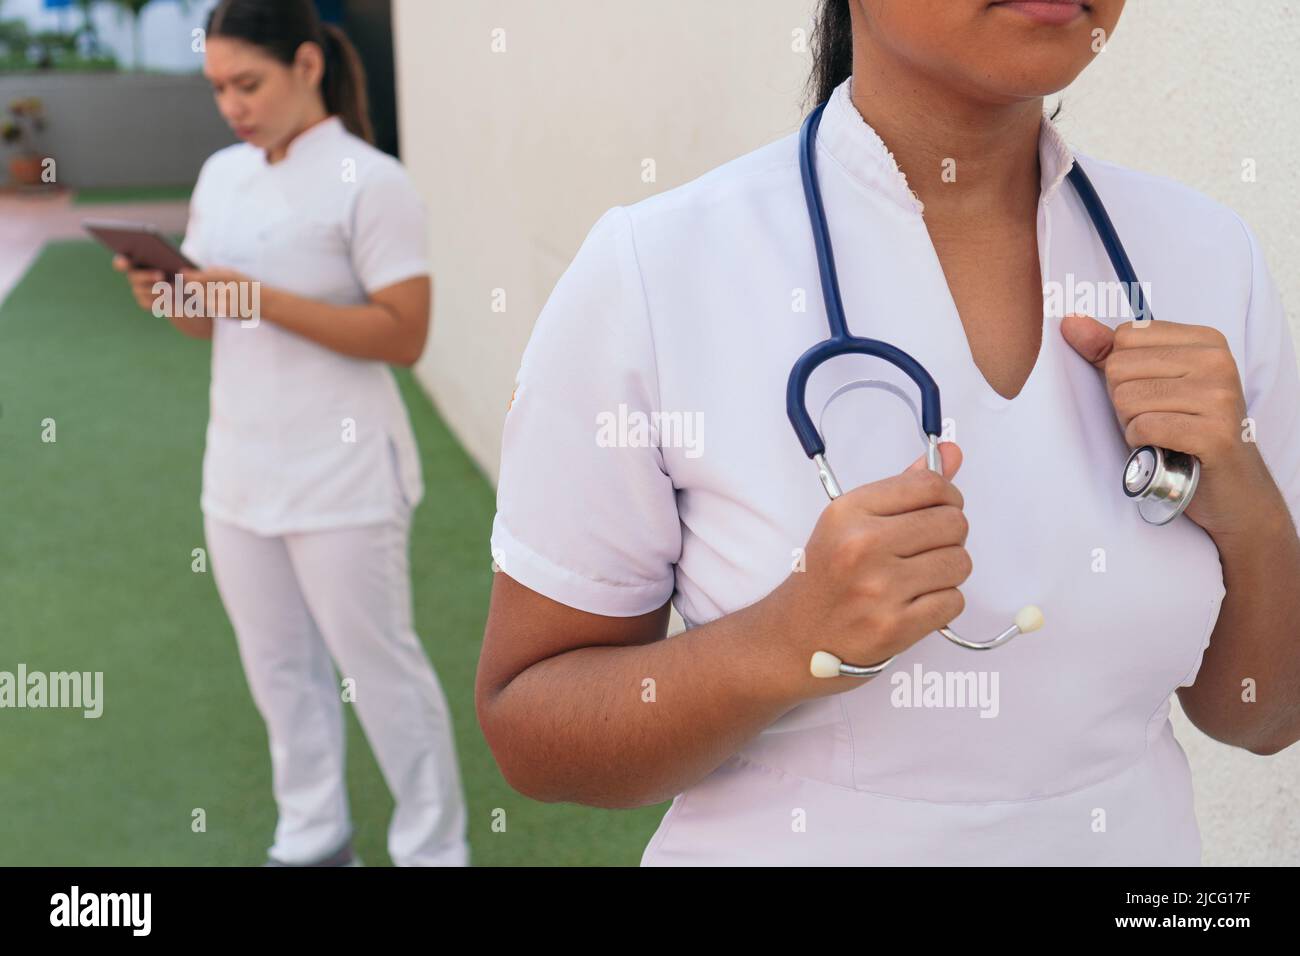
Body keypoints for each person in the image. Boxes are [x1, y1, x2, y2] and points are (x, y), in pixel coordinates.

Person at [476, 0, 1300, 865]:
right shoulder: (657, 270)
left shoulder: (1210, 258)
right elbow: (530, 727)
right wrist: (787, 642)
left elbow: (1263, 715)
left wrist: (1247, 505)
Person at [114, 0, 468, 867]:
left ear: (307, 65)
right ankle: (313, 838)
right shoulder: (220, 175)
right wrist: (169, 297)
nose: (232, 104)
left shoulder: (372, 181)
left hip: (344, 475)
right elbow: (208, 325)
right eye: (217, 87)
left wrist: (256, 296)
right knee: (279, 674)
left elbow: (403, 333)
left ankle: (434, 850)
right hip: (236, 473)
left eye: (249, 82)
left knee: (381, 673)